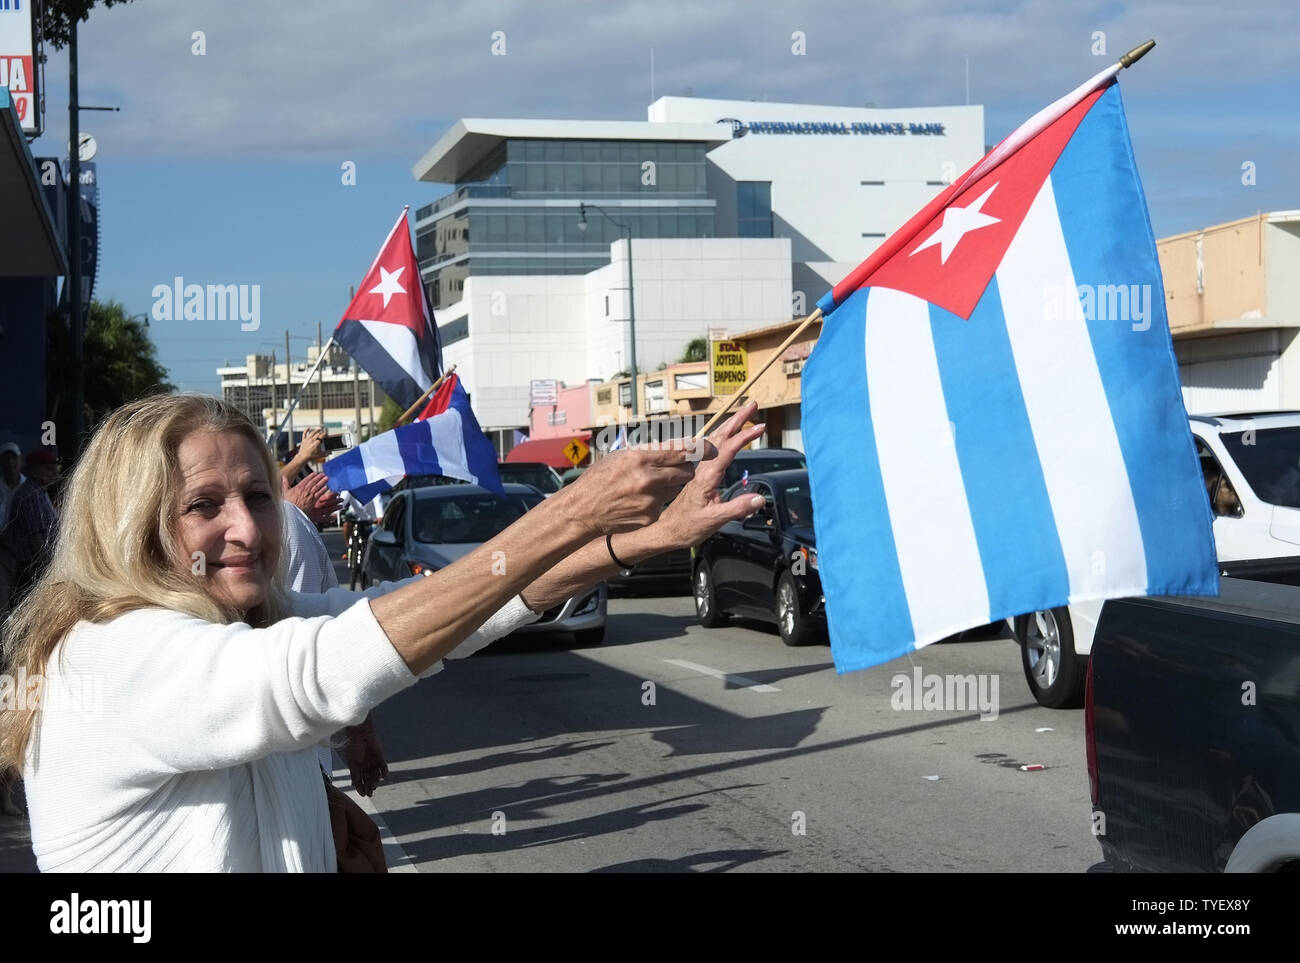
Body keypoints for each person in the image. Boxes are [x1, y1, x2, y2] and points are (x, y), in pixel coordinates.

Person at [0, 393, 765, 871]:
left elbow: (455, 613)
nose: (245, 527)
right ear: (132, 523)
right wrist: (573, 510)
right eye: (205, 504)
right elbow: (320, 673)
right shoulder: (106, 651)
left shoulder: (254, 621)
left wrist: (639, 540)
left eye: (258, 496)